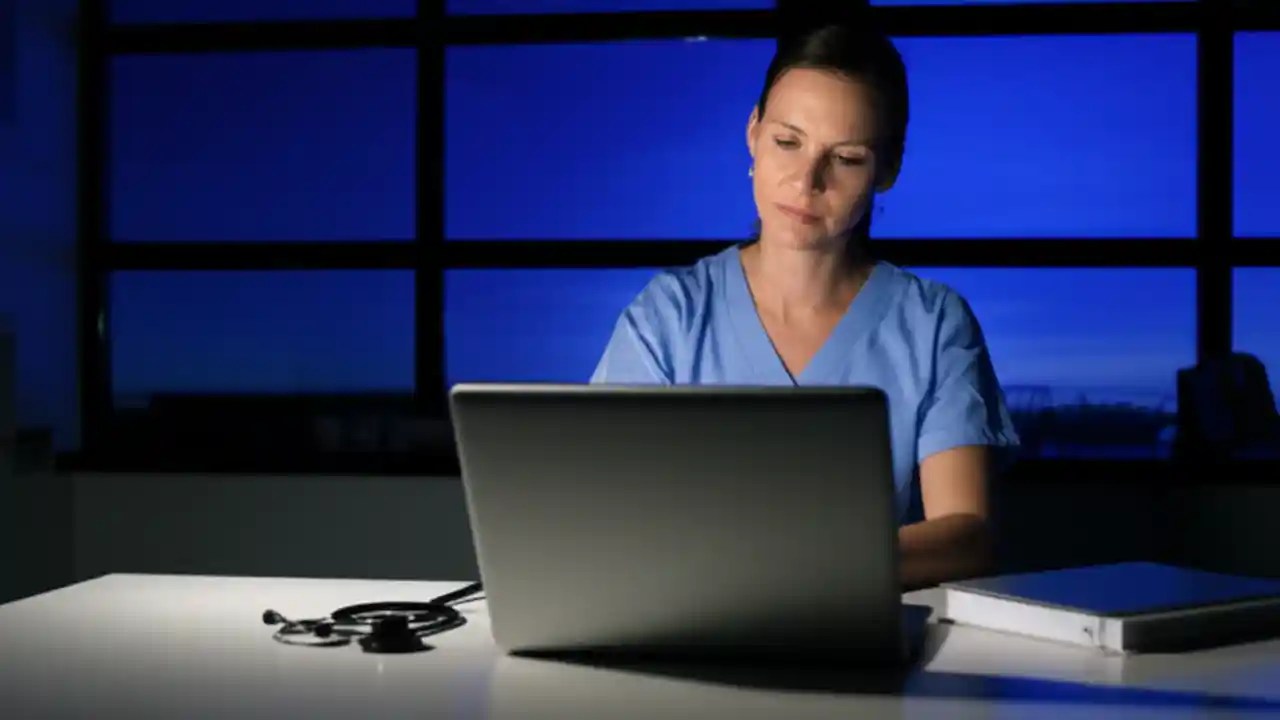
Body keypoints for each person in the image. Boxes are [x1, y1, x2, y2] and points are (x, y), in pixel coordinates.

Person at [589, 16, 1019, 591]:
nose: (806, 180)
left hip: (858, 634)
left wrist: (796, 569)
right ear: (752, 133)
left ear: (886, 169)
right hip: (688, 626)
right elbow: (600, 513)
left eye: (845, 158)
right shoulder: (670, 315)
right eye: (787, 142)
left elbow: (965, 534)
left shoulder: (934, 323)